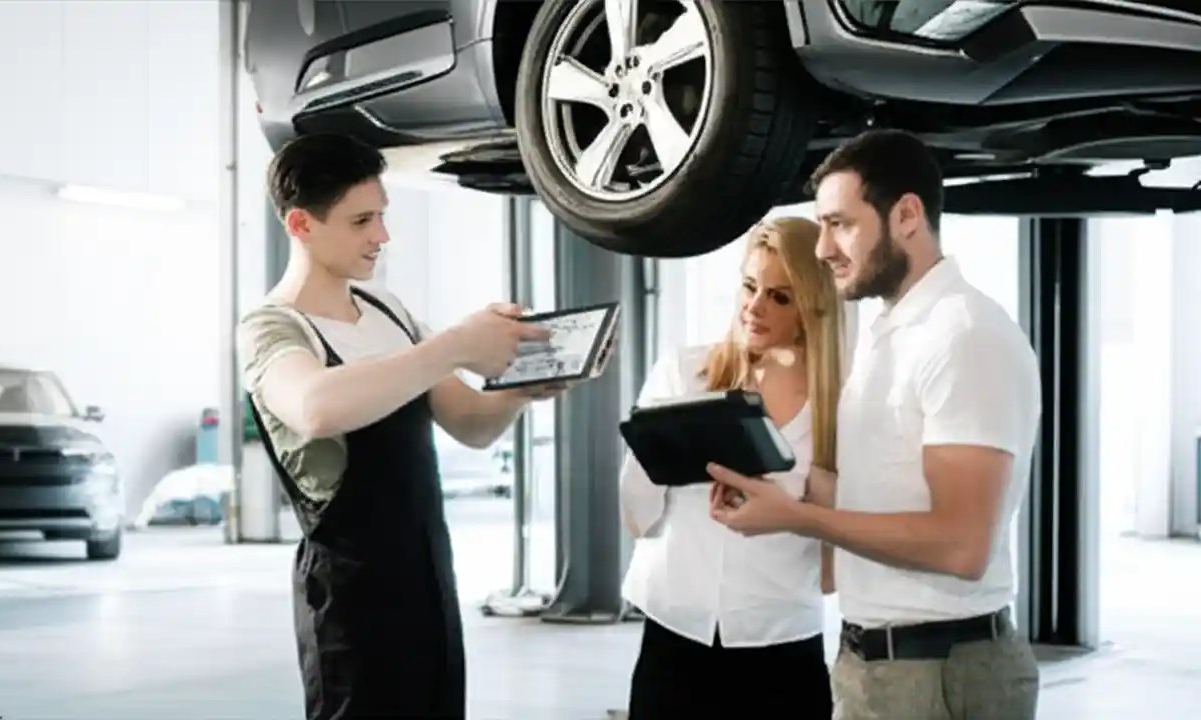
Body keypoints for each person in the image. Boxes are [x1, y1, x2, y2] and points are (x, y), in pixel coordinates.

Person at [706, 130, 1043, 720]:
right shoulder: (890, 334)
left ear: (907, 215)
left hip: (940, 673)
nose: (822, 248)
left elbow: (962, 544)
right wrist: (785, 486)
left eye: (841, 224)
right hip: (877, 666)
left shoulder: (963, 334)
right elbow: (884, 493)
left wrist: (795, 517)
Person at [236, 132, 568, 719]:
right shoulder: (272, 328)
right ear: (301, 225)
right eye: (362, 220)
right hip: (350, 601)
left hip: (429, 581)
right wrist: (454, 346)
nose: (381, 237)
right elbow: (316, 407)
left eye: (383, 216)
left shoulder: (389, 311)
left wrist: (522, 387)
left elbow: (469, 424)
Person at [618, 216, 845, 719]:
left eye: (780, 296)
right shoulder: (684, 372)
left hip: (782, 643)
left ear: (813, 307)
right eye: (750, 285)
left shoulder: (841, 411)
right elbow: (636, 513)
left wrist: (809, 506)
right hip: (675, 631)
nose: (755, 306)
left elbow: (832, 577)